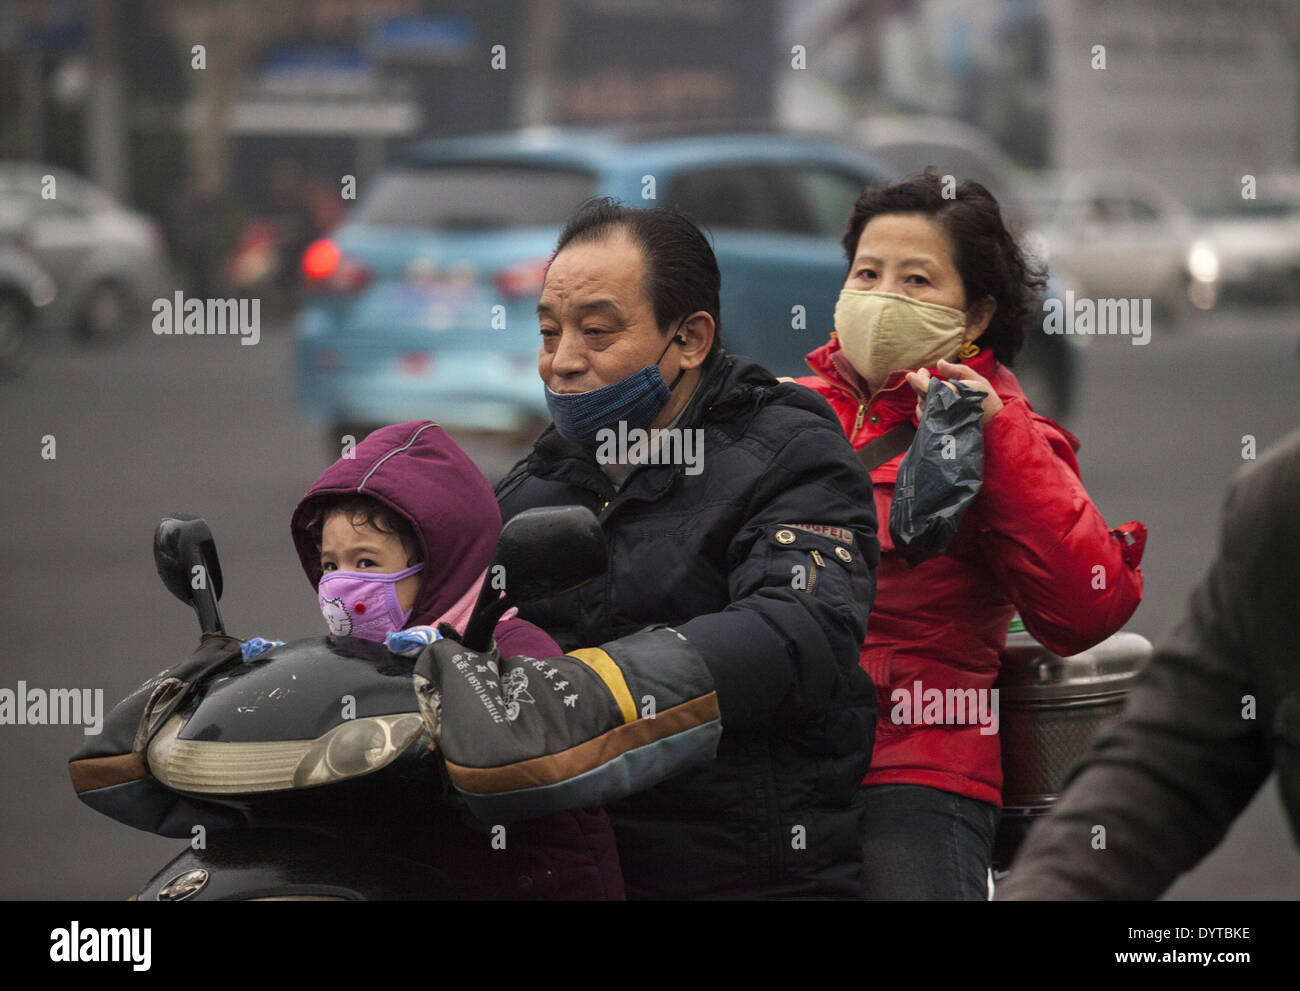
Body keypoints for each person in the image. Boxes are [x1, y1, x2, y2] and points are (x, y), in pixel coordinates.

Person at [477, 197, 881, 899]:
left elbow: (800, 628)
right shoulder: (529, 488)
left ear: (691, 338)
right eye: (548, 332)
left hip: (754, 873)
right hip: (570, 870)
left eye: (597, 331)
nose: (562, 363)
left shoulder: (792, 454)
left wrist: (595, 686)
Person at [791, 172, 1147, 900]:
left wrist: (1000, 435)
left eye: (917, 279)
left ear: (976, 312)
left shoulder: (1008, 436)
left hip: (916, 769)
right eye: (868, 271)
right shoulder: (784, 412)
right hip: (776, 761)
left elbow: (1085, 611)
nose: (884, 295)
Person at [287, 420, 625, 900]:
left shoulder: (513, 643)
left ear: (443, 563)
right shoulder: (352, 662)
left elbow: (540, 744)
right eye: (329, 565)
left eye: (366, 563)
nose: (342, 584)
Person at [996, 429, 1300, 900]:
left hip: (925, 766)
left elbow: (1083, 608)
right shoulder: (1283, 506)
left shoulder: (998, 417)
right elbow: (1164, 760)